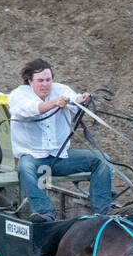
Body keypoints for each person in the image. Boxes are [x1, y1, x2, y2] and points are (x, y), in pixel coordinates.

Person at [8, 58, 113, 222]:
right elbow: (31, 109)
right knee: (24, 168)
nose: (45, 84)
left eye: (48, 80)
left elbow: (73, 98)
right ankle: (43, 213)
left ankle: (101, 213)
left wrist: (81, 100)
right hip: (34, 158)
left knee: (102, 160)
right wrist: (54, 103)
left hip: (60, 158)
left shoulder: (60, 89)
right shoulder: (18, 95)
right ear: (30, 81)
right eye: (40, 80)